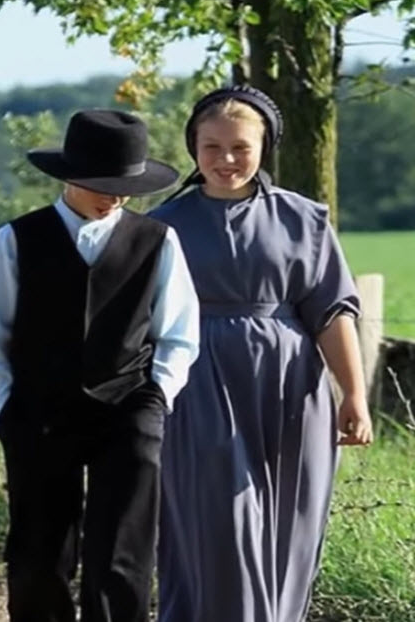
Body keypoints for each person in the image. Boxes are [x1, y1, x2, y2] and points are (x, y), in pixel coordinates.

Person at [149, 86, 373, 622]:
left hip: (291, 388)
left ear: (264, 146)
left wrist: (355, 394)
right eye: (212, 147)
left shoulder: (306, 219)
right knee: (220, 519)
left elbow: (332, 311)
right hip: (195, 381)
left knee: (287, 526)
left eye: (240, 147)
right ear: (193, 148)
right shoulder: (162, 224)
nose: (226, 160)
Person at [0, 110, 200, 622]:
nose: (113, 196)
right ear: (67, 175)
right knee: (39, 552)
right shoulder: (17, 240)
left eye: (125, 186)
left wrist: (157, 396)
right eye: (101, 183)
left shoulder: (158, 242)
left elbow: (179, 334)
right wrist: (5, 411)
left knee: (122, 554)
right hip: (39, 409)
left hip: (129, 408)